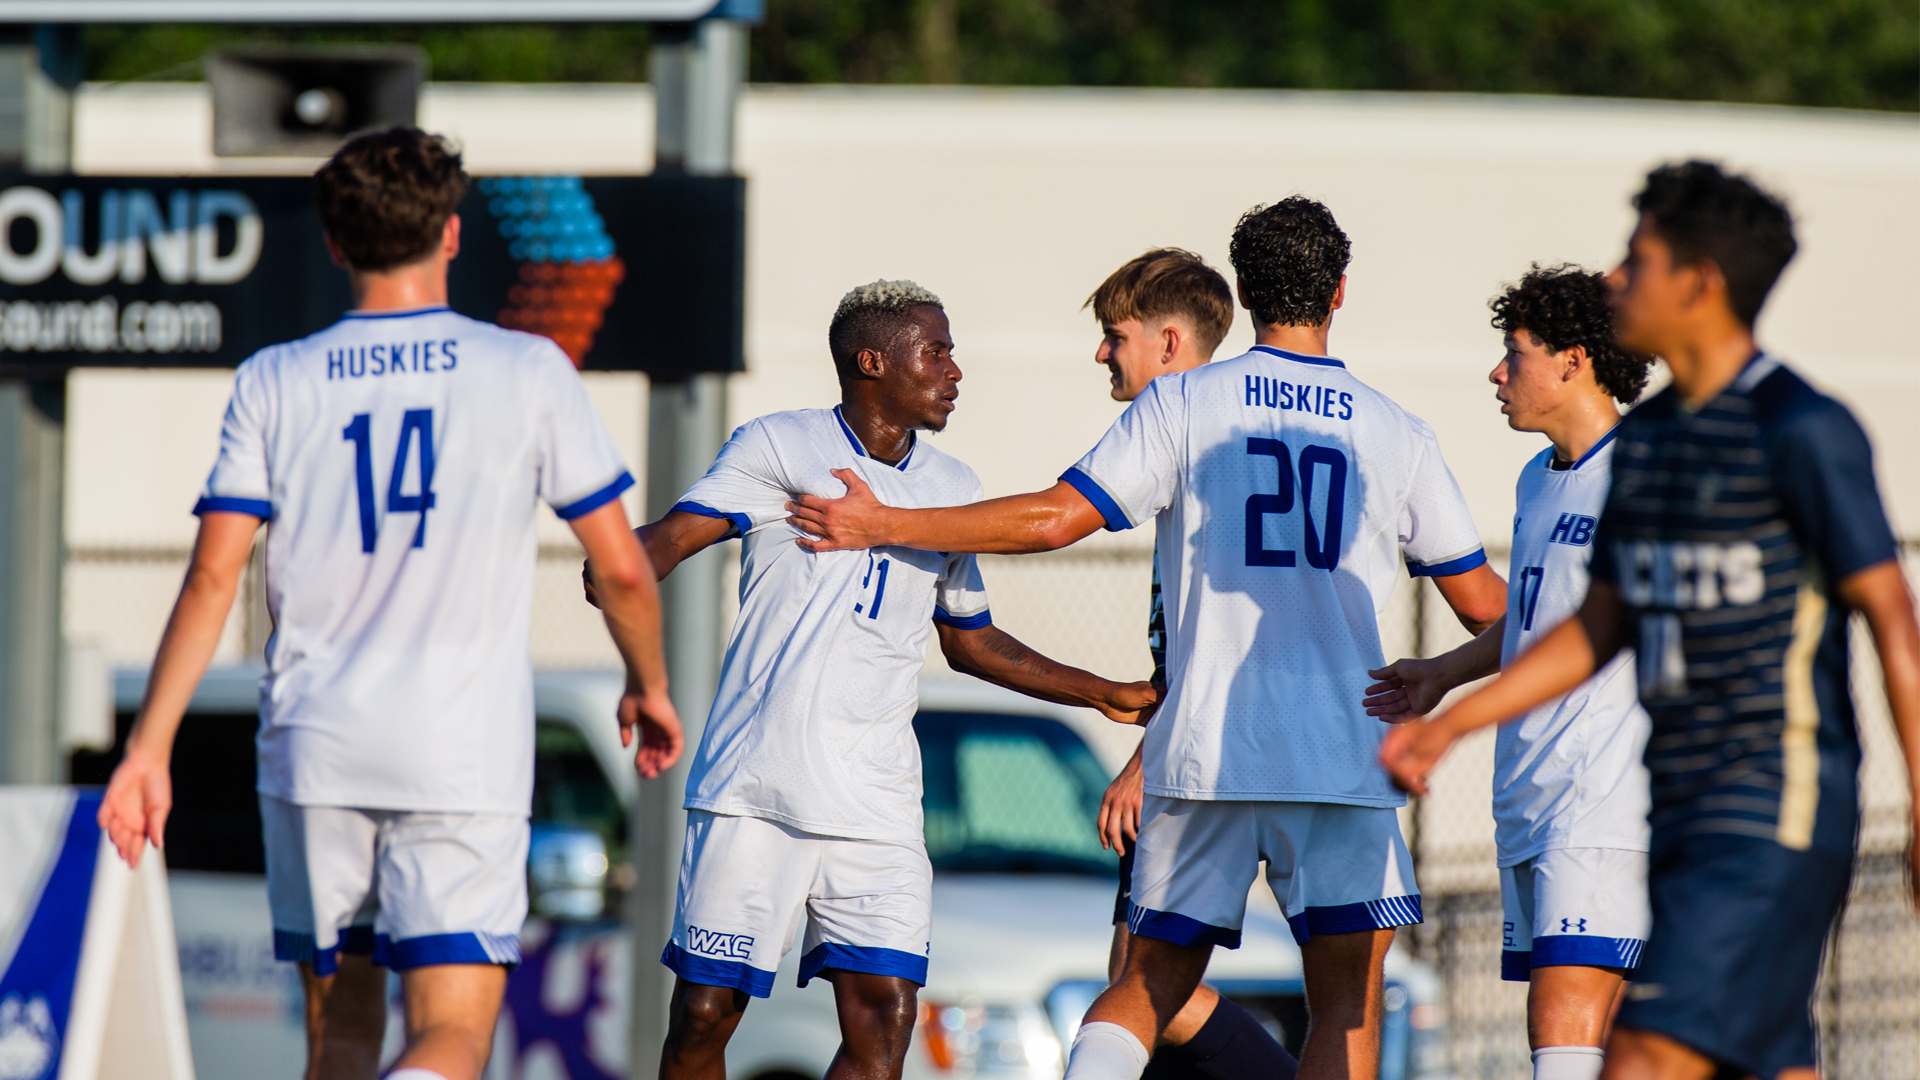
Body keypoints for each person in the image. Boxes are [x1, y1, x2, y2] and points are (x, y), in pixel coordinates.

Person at [786, 199, 1509, 1080]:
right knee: (1345, 1008)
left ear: (1242, 292)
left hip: (1205, 745)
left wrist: (886, 520)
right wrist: (1457, 670)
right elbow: (1487, 609)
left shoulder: (1186, 403)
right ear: (1342, 293)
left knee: (1146, 986)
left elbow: (1057, 520)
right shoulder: (1398, 432)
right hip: (1339, 750)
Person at [96, 128, 683, 1080]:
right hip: (460, 749)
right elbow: (620, 568)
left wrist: (148, 747)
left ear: (335, 245)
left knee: (338, 1039)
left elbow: (213, 578)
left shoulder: (273, 379)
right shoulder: (526, 370)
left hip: (315, 742)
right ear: (452, 235)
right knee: (450, 1033)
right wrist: (647, 682)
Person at [1379, 161, 1920, 1080]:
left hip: (1771, 808)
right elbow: (1596, 625)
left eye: (1638, 258)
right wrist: (1453, 718)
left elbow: (1892, 621)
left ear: (1702, 283)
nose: (1617, 280)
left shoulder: (1801, 428)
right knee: (1763, 1056)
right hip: (1675, 806)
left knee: (1633, 1053)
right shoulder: (1658, 442)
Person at [597, 280, 1159, 1080]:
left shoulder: (954, 486)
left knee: (885, 1020)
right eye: (936, 351)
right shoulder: (779, 446)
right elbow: (669, 542)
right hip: (757, 790)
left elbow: (971, 643)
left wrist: (1102, 691)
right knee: (703, 1016)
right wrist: (621, 563)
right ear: (871, 361)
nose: (956, 371)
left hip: (878, 804)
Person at [1363, 265, 1654, 1080]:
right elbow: (1538, 624)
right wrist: (1442, 674)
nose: (1497, 373)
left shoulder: (1637, 477)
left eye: (1513, 352)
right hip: (1529, 794)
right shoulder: (1537, 480)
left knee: (1563, 1012)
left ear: (1573, 359)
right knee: (1606, 1033)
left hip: (1603, 796)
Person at [1083, 249, 1298, 1080]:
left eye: (1115, 336)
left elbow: (1232, 637)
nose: (1104, 353)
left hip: (1210, 756)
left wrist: (1147, 758)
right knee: (1142, 991)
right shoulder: (1232, 424)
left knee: (1141, 992)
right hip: (1237, 741)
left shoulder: (1192, 422)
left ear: (1170, 343)